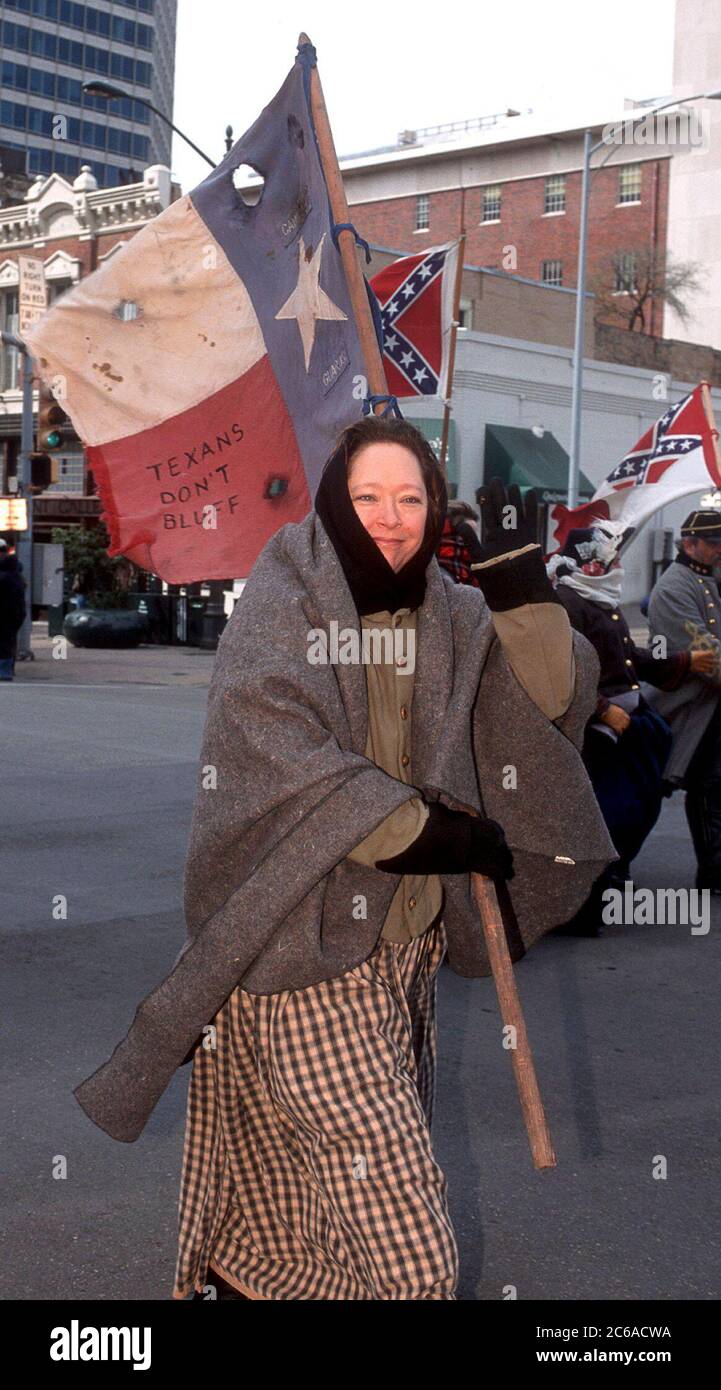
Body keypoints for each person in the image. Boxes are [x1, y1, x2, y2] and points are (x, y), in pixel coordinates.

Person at [71, 422, 614, 1301]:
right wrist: (417, 830)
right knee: (411, 1255)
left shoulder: (452, 608)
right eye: (367, 496)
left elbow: (546, 704)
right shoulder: (287, 592)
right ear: (333, 501)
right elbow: (272, 738)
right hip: (296, 945)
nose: (389, 518)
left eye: (409, 498)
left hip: (404, 955)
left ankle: (250, 1279)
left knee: (305, 1208)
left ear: (433, 508)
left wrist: (520, 588)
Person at [547, 521, 714, 936]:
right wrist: (600, 710)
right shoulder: (567, 603)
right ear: (592, 564)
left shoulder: (599, 598)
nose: (619, 564)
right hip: (595, 732)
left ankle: (611, 876)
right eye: (613, 558)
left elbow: (628, 658)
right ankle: (581, 903)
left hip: (630, 725)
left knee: (639, 807)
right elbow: (558, 671)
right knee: (607, 815)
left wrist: (682, 663)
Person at [645, 509, 721, 891]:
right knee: (705, 787)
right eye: (713, 543)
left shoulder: (710, 578)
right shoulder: (675, 587)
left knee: (714, 786)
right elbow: (708, 656)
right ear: (689, 543)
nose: (719, 550)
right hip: (686, 708)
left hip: (712, 708)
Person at [436, 498, 484, 587]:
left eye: (473, 534)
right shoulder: (438, 578)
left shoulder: (472, 577)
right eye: (468, 533)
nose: (473, 540)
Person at [0, 538, 26, 682]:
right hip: (15, 613)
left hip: (6, 613)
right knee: (8, 641)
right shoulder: (16, 573)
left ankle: (5, 671)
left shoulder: (5, 575)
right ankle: (7, 669)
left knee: (4, 642)